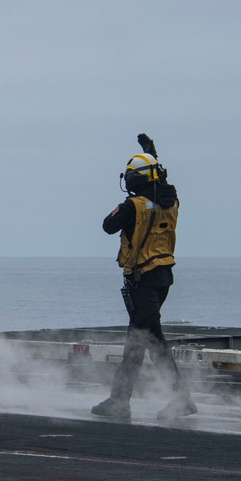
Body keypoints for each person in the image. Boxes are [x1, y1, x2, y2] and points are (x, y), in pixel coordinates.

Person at [91, 135, 196, 421]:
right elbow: (159, 183)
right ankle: (119, 400)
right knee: (136, 341)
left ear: (135, 180)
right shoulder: (171, 202)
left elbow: (107, 226)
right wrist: (152, 154)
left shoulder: (132, 206)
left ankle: (179, 397)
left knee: (152, 340)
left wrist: (129, 198)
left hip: (142, 280)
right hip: (163, 277)